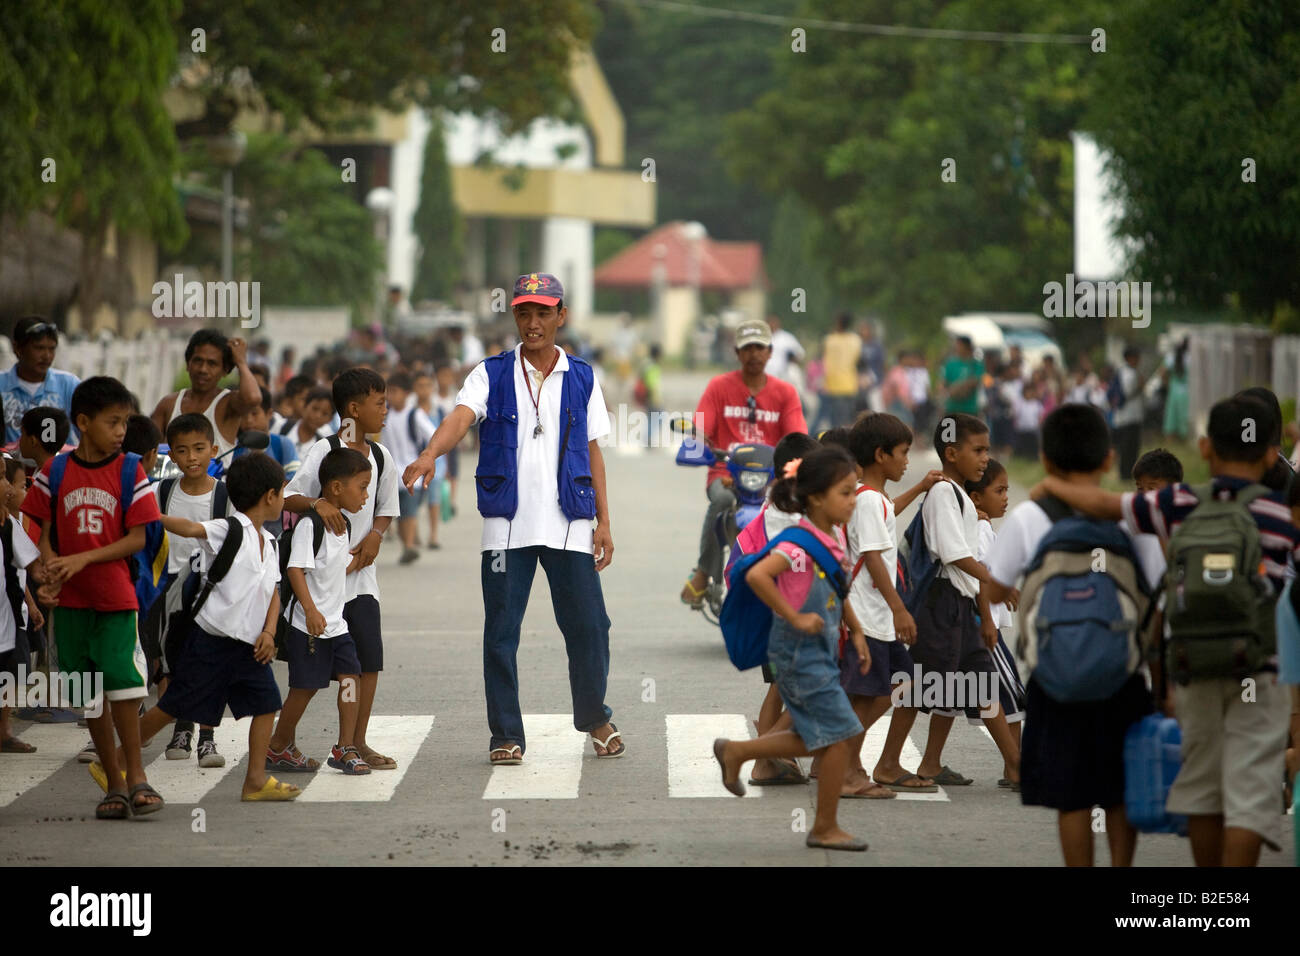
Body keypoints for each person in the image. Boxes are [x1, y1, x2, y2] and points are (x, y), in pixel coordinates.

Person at [1031, 396, 1293, 866]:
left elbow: (1107, 504)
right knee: (1249, 794)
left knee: (1203, 788)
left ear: (1205, 448)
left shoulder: (1178, 502)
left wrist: (1051, 483)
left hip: (1192, 665)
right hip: (1259, 669)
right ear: (1273, 454)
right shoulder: (1281, 515)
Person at [402, 272, 624, 764]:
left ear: (561, 316)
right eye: (524, 312)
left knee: (591, 627)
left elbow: (592, 451)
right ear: (515, 317)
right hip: (506, 528)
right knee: (501, 634)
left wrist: (604, 522)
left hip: (570, 524)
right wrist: (431, 453)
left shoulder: (582, 376)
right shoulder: (492, 373)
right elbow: (461, 414)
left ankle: (595, 717)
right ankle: (506, 735)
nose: (533, 322)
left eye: (544, 312)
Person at [711, 446, 870, 851]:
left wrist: (855, 630)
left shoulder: (828, 536)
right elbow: (759, 576)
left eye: (855, 492)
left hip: (817, 648)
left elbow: (839, 587)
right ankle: (825, 827)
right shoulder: (798, 540)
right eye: (846, 493)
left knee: (820, 734)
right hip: (799, 650)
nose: (854, 501)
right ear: (816, 497)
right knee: (839, 735)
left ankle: (739, 751)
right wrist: (795, 617)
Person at [22, 376, 165, 819]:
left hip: (116, 596)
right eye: (113, 422)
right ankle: (114, 782)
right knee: (89, 692)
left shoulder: (129, 470)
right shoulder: (56, 472)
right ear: (84, 422)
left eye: (125, 422)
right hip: (70, 602)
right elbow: (41, 531)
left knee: (122, 685)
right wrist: (49, 567)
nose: (122, 431)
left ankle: (136, 773)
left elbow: (137, 539)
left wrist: (82, 560)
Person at [136, 453, 300, 801]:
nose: (283, 499)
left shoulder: (268, 543)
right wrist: (150, 514)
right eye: (282, 492)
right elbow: (191, 528)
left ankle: (255, 781)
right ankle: (115, 760)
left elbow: (274, 591)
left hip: (247, 646)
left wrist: (269, 632)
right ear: (270, 496)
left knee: (268, 703)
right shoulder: (230, 528)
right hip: (210, 642)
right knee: (173, 708)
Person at [874, 413, 1021, 791]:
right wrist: (998, 580)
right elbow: (954, 554)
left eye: (987, 450)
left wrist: (984, 607)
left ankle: (1017, 767)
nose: (985, 458)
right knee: (918, 685)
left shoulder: (959, 496)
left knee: (980, 683)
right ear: (952, 453)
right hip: (939, 605)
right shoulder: (943, 493)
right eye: (978, 450)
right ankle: (886, 763)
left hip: (960, 605)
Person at [283, 368, 399, 770]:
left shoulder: (382, 457)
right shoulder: (324, 451)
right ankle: (282, 742)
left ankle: (353, 743)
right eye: (380, 403)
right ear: (354, 408)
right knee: (310, 677)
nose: (386, 410)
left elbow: (386, 507)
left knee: (367, 664)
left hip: (361, 578)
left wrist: (376, 536)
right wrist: (317, 504)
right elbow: (289, 494)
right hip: (322, 584)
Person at [834, 413, 939, 799]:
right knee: (868, 694)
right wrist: (899, 609)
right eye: (903, 453)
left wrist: (921, 488)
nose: (908, 461)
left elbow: (886, 514)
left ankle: (849, 763)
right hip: (870, 615)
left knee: (894, 685)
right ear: (881, 455)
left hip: (874, 615)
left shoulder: (869, 499)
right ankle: (844, 768)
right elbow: (875, 557)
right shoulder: (867, 501)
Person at [681, 319, 808, 608]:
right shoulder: (719, 387)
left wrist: (796, 464)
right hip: (725, 474)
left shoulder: (785, 393)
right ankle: (705, 572)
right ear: (737, 352)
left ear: (770, 352)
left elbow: (797, 437)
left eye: (759, 347)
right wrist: (697, 441)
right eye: (747, 348)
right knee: (722, 502)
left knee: (799, 512)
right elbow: (701, 427)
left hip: (772, 478)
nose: (753, 354)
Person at [268, 448, 373, 775]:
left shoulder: (342, 525)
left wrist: (364, 554)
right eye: (362, 486)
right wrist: (311, 611)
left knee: (350, 678)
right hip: (307, 626)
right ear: (337, 488)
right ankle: (277, 746)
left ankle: (345, 747)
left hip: (336, 626)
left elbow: (337, 569)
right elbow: (295, 570)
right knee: (304, 688)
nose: (366, 495)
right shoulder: (310, 525)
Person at [727, 431, 820, 786]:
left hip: (775, 618)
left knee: (781, 689)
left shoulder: (771, 508)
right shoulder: (790, 516)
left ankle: (769, 758)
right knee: (794, 691)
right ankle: (762, 757)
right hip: (787, 620)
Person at [152, 413, 232, 766]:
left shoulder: (226, 495)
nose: (192, 457)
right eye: (182, 451)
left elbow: (236, 540)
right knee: (174, 664)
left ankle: (208, 738)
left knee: (210, 664)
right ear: (172, 455)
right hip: (169, 589)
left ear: (214, 449)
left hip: (212, 590)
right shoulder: (161, 492)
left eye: (199, 448)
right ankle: (181, 727)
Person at [963, 459, 1026, 788]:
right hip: (985, 627)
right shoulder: (979, 528)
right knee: (1007, 697)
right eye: (998, 491)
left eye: (1007, 491)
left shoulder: (982, 525)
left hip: (986, 624)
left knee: (995, 693)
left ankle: (1012, 767)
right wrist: (987, 619)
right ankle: (1014, 767)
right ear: (975, 498)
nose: (1005, 498)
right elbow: (982, 574)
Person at [150, 329, 261, 458]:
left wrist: (241, 362)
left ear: (225, 370)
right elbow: (149, 448)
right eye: (198, 361)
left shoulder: (227, 404)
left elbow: (253, 398)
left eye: (212, 364)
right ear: (188, 364)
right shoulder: (168, 404)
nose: (203, 369)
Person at [0, 460, 44, 755]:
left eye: (5, 477)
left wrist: (33, 602)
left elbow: (28, 568)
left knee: (10, 673)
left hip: (7, 618)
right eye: (1, 478)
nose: (6, 487)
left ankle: (4, 732)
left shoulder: (9, 524)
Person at [380, 372, 436, 565]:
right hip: (393, 474)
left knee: (410, 510)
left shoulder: (415, 414)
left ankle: (410, 545)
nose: (390, 396)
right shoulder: (386, 415)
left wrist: (427, 457)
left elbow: (432, 435)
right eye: (389, 392)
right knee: (401, 513)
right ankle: (407, 547)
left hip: (413, 472)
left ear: (406, 393)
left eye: (395, 392)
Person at [1, 317, 80, 448]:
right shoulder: (1, 385)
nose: (47, 356)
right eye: (39, 348)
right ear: (17, 348)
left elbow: (88, 435)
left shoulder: (69, 384)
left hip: (57, 467)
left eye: (52, 349)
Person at [236, 386, 301, 487]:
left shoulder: (282, 444)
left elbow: (294, 481)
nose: (248, 420)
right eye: (243, 414)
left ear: (269, 414)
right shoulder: (234, 447)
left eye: (254, 413)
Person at [818, 313, 861, 431]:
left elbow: (824, 360)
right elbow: (859, 360)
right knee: (846, 419)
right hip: (851, 384)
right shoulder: (856, 340)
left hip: (834, 385)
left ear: (838, 323)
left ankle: (836, 444)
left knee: (835, 422)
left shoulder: (830, 339)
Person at [1110, 346, 1146, 481]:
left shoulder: (1129, 372)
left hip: (1133, 416)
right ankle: (1125, 474)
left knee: (1133, 447)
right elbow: (1126, 393)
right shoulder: (1127, 373)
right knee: (1127, 448)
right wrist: (1139, 386)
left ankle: (1130, 472)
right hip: (1126, 417)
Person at [291, 388, 335, 463]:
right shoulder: (282, 427)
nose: (318, 416)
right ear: (305, 406)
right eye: (315, 409)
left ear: (330, 419)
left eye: (325, 414)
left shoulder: (322, 448)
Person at [765, 315, 805, 383]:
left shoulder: (786, 337)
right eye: (769, 322)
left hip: (781, 376)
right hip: (764, 374)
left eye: (773, 322)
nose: (771, 324)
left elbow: (800, 353)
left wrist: (791, 360)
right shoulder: (762, 337)